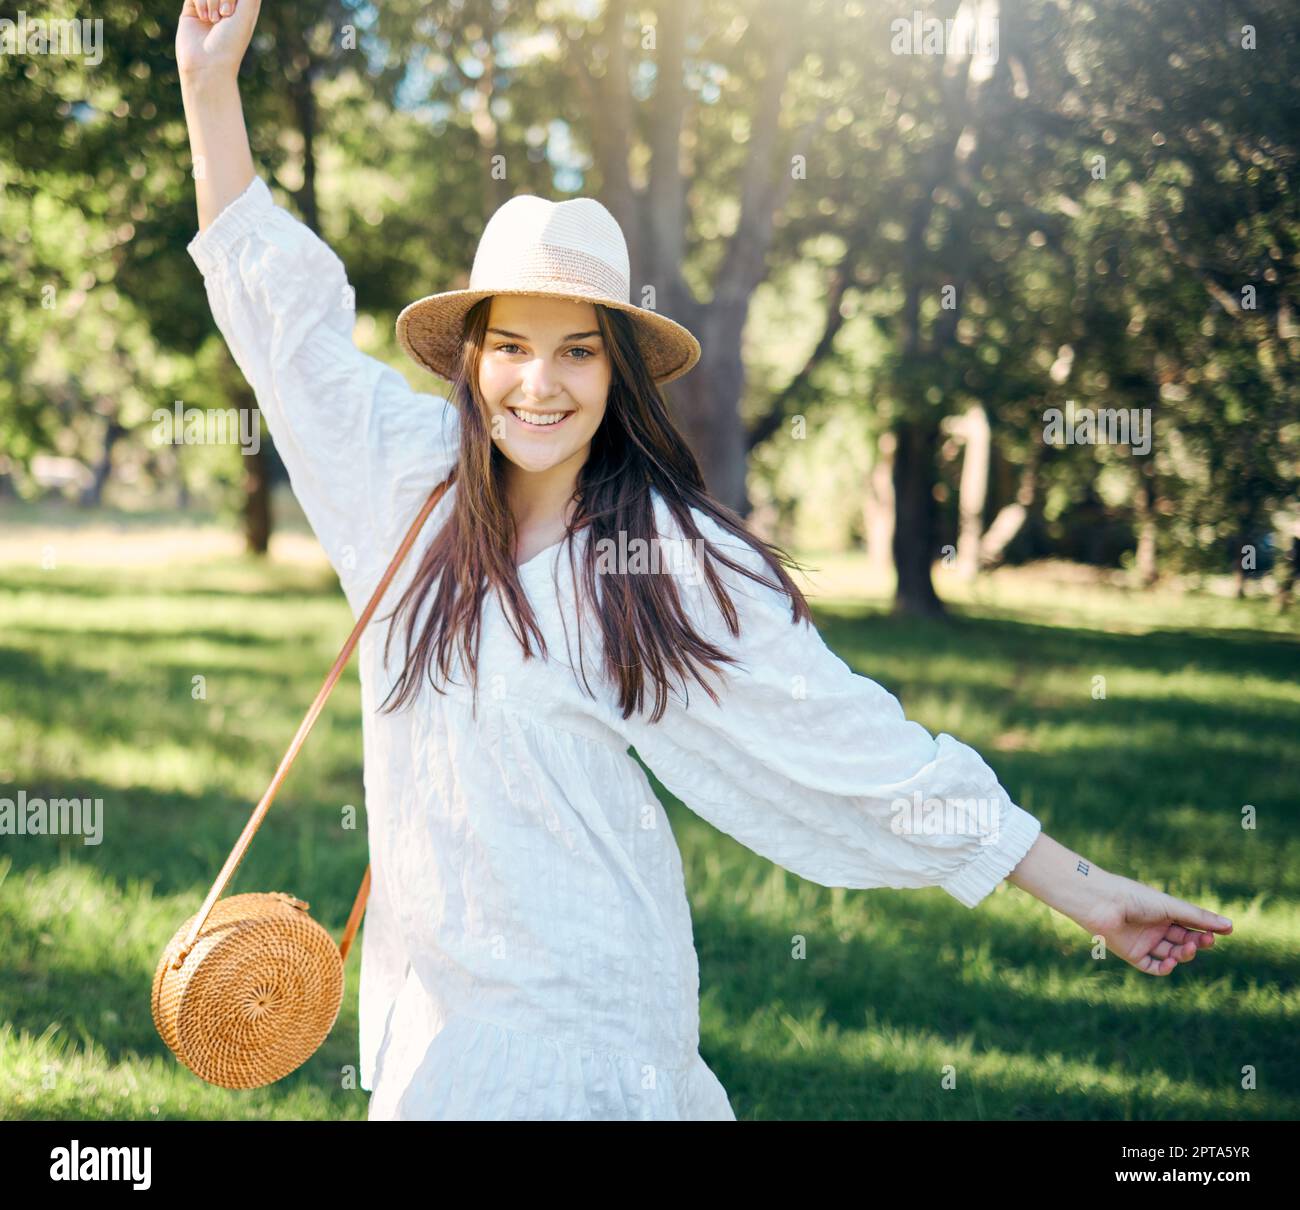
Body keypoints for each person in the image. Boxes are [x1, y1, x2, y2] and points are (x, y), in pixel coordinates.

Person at [177, 0, 1233, 1121]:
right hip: (429, 1014)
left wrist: (1082, 891)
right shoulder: (403, 487)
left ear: (619, 369)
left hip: (588, 1018)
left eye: (578, 351)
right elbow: (279, 318)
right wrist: (209, 86)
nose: (541, 385)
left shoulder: (664, 559)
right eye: (515, 348)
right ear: (472, 357)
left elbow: (860, 749)